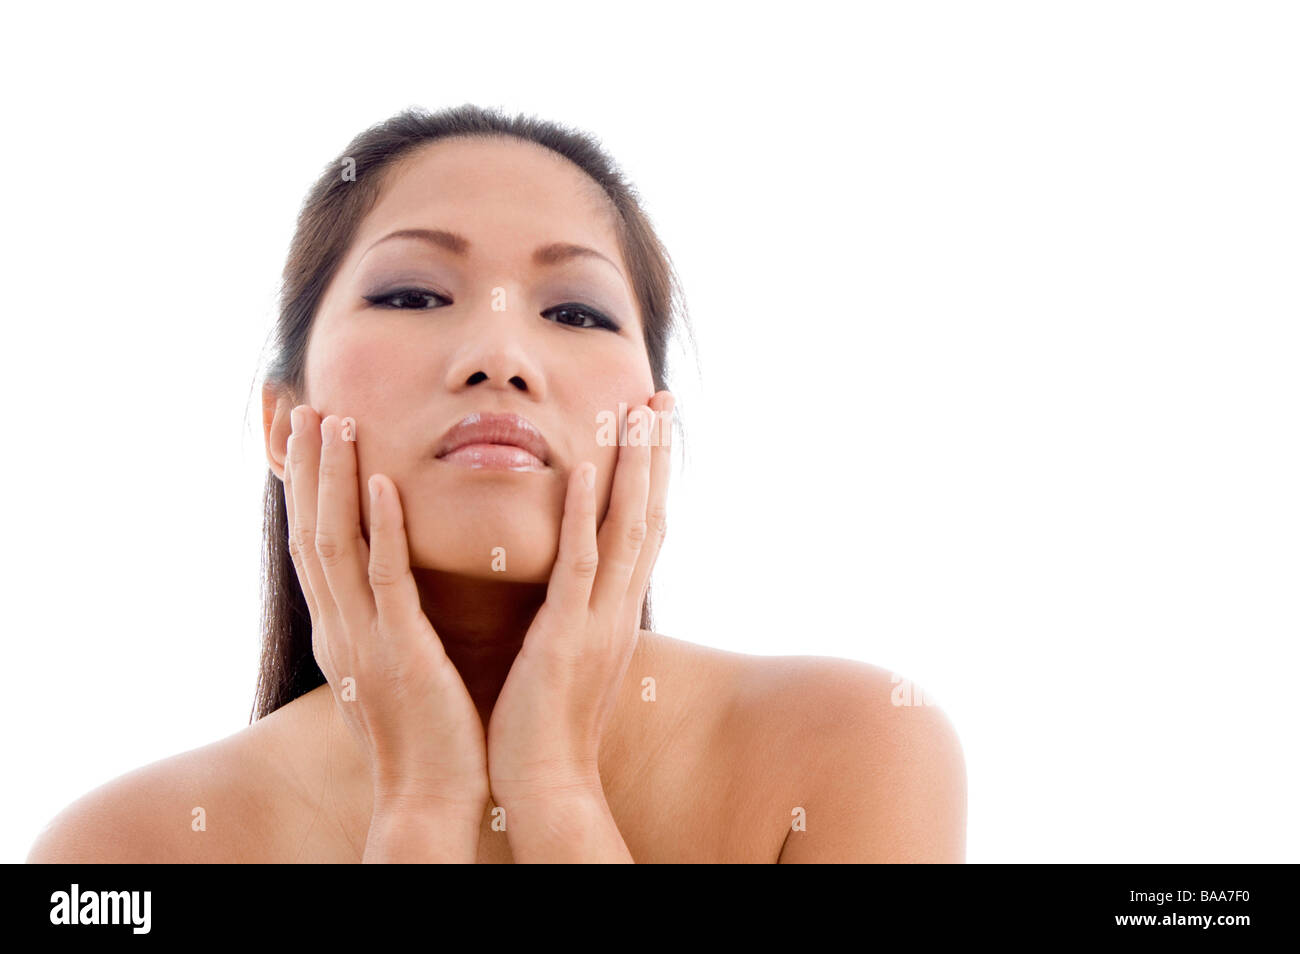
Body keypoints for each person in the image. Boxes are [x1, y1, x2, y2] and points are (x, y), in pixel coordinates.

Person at [27, 104, 966, 863]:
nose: (500, 356)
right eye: (412, 296)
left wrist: (557, 796)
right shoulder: (121, 852)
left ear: (654, 428)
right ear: (282, 423)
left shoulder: (849, 752)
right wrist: (423, 810)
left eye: (575, 310)